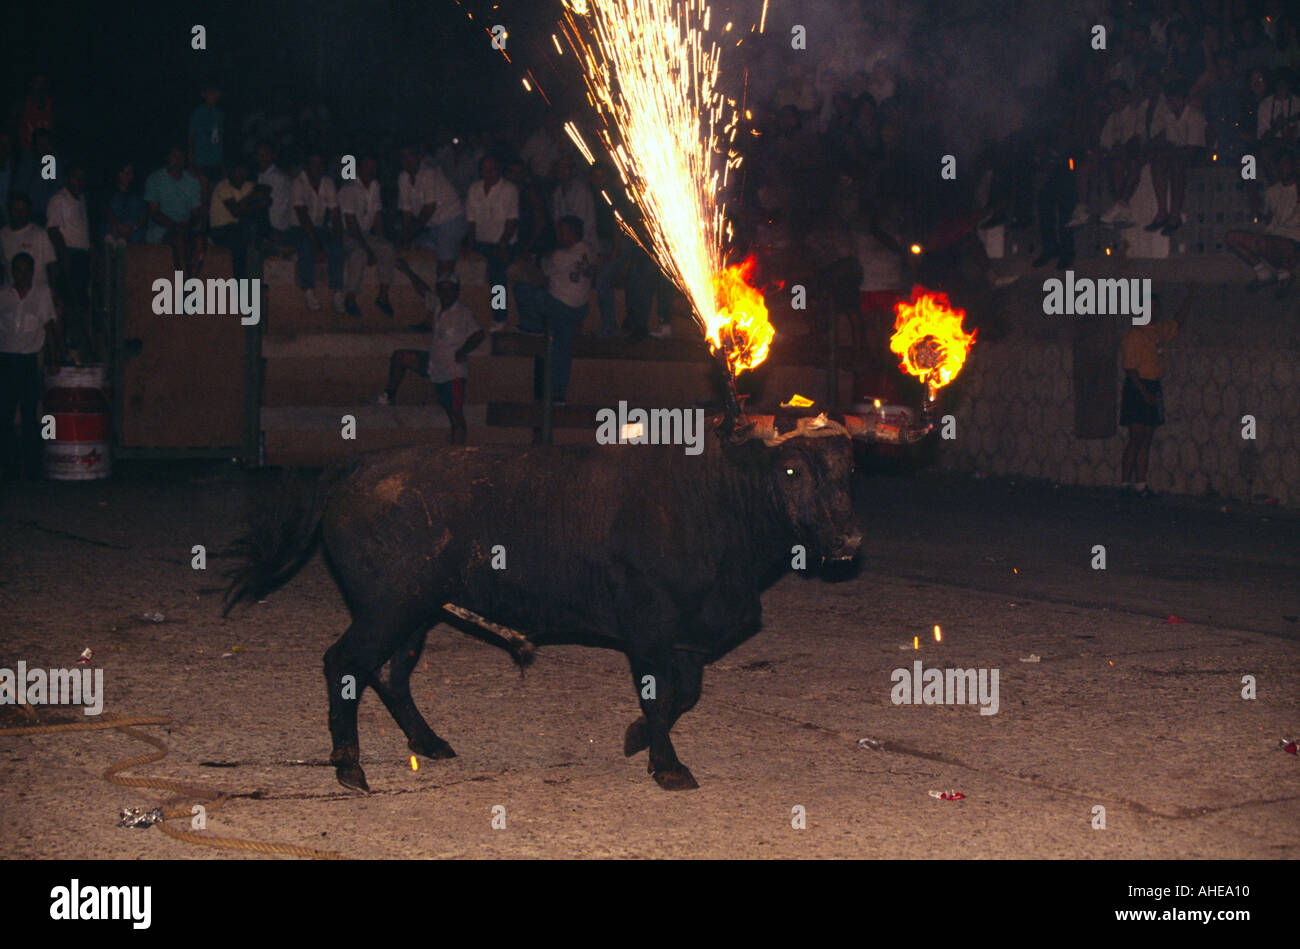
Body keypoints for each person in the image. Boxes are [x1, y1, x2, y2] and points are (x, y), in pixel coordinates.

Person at [378, 261, 484, 445]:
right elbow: (423, 290)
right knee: (400, 357)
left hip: (452, 372)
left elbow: (479, 334)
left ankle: (458, 453)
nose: (446, 293)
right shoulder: (437, 304)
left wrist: (464, 350)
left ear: (457, 291)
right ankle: (389, 395)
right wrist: (408, 270)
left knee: (455, 414)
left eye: (451, 289)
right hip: (433, 364)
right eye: (443, 289)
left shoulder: (462, 313)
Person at [513, 215, 595, 404]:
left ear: (572, 233)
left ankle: (531, 326)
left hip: (560, 306)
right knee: (561, 348)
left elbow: (542, 272)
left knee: (522, 289)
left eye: (562, 231)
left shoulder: (560, 256)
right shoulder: (589, 250)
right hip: (579, 308)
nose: (558, 235)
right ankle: (558, 394)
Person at [1119, 291, 1192, 498]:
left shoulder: (1158, 331)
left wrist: (1189, 297)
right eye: (1150, 307)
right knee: (1135, 438)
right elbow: (1130, 369)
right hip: (1137, 387)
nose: (1154, 311)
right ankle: (1125, 482)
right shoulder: (1135, 334)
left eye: (1156, 307)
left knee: (1147, 439)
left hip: (1153, 385)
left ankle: (1141, 483)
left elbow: (1177, 322)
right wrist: (1144, 393)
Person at [0, 253, 61, 480]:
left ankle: (33, 466)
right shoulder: (4, 295)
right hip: (6, 360)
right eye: (18, 270)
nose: (22, 275)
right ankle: (9, 465)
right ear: (11, 271)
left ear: (33, 272)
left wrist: (53, 358)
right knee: (4, 414)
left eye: (26, 270)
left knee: (30, 414)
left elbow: (50, 327)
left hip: (28, 360)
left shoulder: (41, 295)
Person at [1225, 150, 1300, 296]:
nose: (1283, 168)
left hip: (1294, 242)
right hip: (1273, 238)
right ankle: (1264, 274)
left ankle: (1284, 274)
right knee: (1232, 237)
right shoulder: (1272, 192)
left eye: (1286, 164)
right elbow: (1269, 217)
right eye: (1280, 165)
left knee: (1274, 244)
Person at [465, 154, 519, 331]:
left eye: (492, 168)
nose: (489, 173)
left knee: (497, 275)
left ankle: (499, 317)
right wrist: (470, 244)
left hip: (503, 243)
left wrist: (502, 245)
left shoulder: (509, 189)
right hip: (481, 242)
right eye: (485, 169)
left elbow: (512, 221)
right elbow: (471, 220)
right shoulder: (474, 189)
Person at [1145, 80, 1207, 236]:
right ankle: (1162, 212)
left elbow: (1194, 147)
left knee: (1176, 166)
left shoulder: (1195, 115)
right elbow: (1171, 143)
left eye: (1175, 99)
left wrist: (1169, 153)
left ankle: (1175, 215)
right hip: (1177, 153)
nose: (1172, 103)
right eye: (1169, 100)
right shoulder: (1170, 117)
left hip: (1197, 155)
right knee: (1157, 163)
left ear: (1184, 99)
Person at [339, 155, 396, 317]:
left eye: (373, 167)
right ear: (358, 168)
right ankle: (350, 298)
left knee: (388, 248)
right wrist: (367, 248)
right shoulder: (349, 188)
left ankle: (383, 296)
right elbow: (350, 222)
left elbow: (377, 214)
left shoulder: (375, 186)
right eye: (366, 167)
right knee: (360, 254)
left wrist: (380, 238)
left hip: (365, 233)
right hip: (347, 233)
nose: (370, 171)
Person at [397, 145, 465, 277]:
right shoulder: (403, 178)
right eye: (403, 157)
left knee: (444, 270)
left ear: (418, 157)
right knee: (414, 251)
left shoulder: (429, 173)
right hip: (433, 228)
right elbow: (407, 214)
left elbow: (429, 209)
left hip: (451, 220)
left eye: (410, 156)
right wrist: (405, 239)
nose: (407, 160)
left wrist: (409, 235)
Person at [290, 149, 344, 312]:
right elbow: (302, 215)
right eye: (313, 164)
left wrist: (338, 238)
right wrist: (317, 246)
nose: (317, 168)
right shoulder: (298, 182)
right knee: (306, 248)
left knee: (336, 247)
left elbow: (334, 214)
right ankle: (308, 291)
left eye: (320, 164)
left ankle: (337, 293)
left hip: (320, 228)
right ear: (307, 166)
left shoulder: (328, 182)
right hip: (299, 227)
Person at [45, 161, 90, 350]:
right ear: (67, 178)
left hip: (82, 256)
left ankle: (74, 345)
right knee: (66, 303)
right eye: (74, 177)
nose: (78, 182)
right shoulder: (58, 199)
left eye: (81, 178)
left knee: (80, 301)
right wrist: (63, 255)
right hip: (68, 255)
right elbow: (53, 230)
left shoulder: (82, 199)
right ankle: (61, 345)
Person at [144, 145, 203, 273]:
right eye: (174, 156)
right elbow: (154, 213)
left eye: (180, 157)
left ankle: (192, 280)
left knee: (199, 241)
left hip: (185, 226)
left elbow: (196, 213)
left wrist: (186, 226)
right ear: (167, 157)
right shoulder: (155, 179)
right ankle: (182, 280)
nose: (177, 160)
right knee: (178, 239)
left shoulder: (192, 182)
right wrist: (175, 226)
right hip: (162, 228)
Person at [208, 159, 259, 279]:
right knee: (240, 238)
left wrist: (253, 202)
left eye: (243, 172)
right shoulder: (223, 186)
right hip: (220, 229)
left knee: (247, 228)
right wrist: (252, 198)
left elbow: (266, 193)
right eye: (237, 172)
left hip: (238, 228)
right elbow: (235, 211)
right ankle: (239, 280)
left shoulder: (247, 185)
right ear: (230, 173)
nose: (240, 175)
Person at [0, 191, 57, 290]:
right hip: (12, 293)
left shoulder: (40, 233)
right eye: (16, 210)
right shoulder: (2, 234)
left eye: (23, 210)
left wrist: (54, 291)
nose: (20, 214)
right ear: (9, 211)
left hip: (37, 291)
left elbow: (51, 265)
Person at [549, 155, 596, 256]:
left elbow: (578, 223)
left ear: (573, 170)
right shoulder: (557, 192)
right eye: (559, 167)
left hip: (583, 243)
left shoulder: (581, 191)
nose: (562, 171)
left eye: (566, 167)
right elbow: (557, 219)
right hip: (565, 243)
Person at [253, 142, 294, 244]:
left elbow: (277, 208)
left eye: (265, 155)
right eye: (259, 155)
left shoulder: (278, 177)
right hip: (266, 226)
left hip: (277, 228)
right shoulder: (261, 175)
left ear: (272, 156)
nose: (261, 158)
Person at [103, 161, 147, 245]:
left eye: (130, 173)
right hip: (115, 228)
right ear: (118, 174)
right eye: (125, 173)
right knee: (107, 232)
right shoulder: (109, 193)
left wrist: (133, 227)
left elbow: (144, 215)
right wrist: (117, 225)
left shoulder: (138, 194)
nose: (128, 176)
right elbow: (106, 210)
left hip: (133, 230)